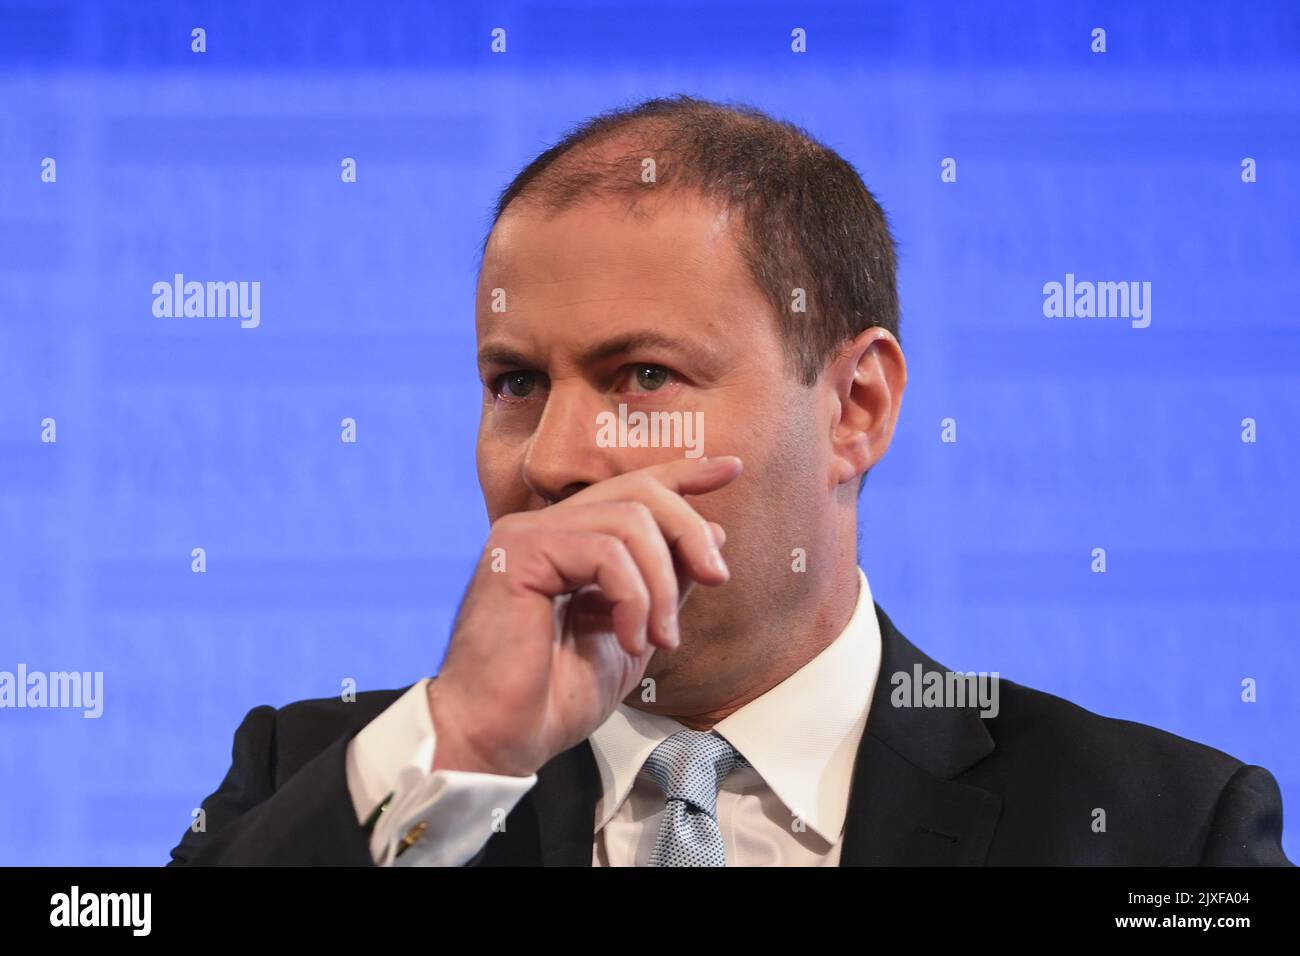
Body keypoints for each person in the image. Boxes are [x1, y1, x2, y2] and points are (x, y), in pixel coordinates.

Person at [168, 96, 1292, 867]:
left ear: (856, 408)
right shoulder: (324, 777)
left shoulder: (1157, 828)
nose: (553, 460)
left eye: (642, 374)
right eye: (514, 383)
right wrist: (459, 748)